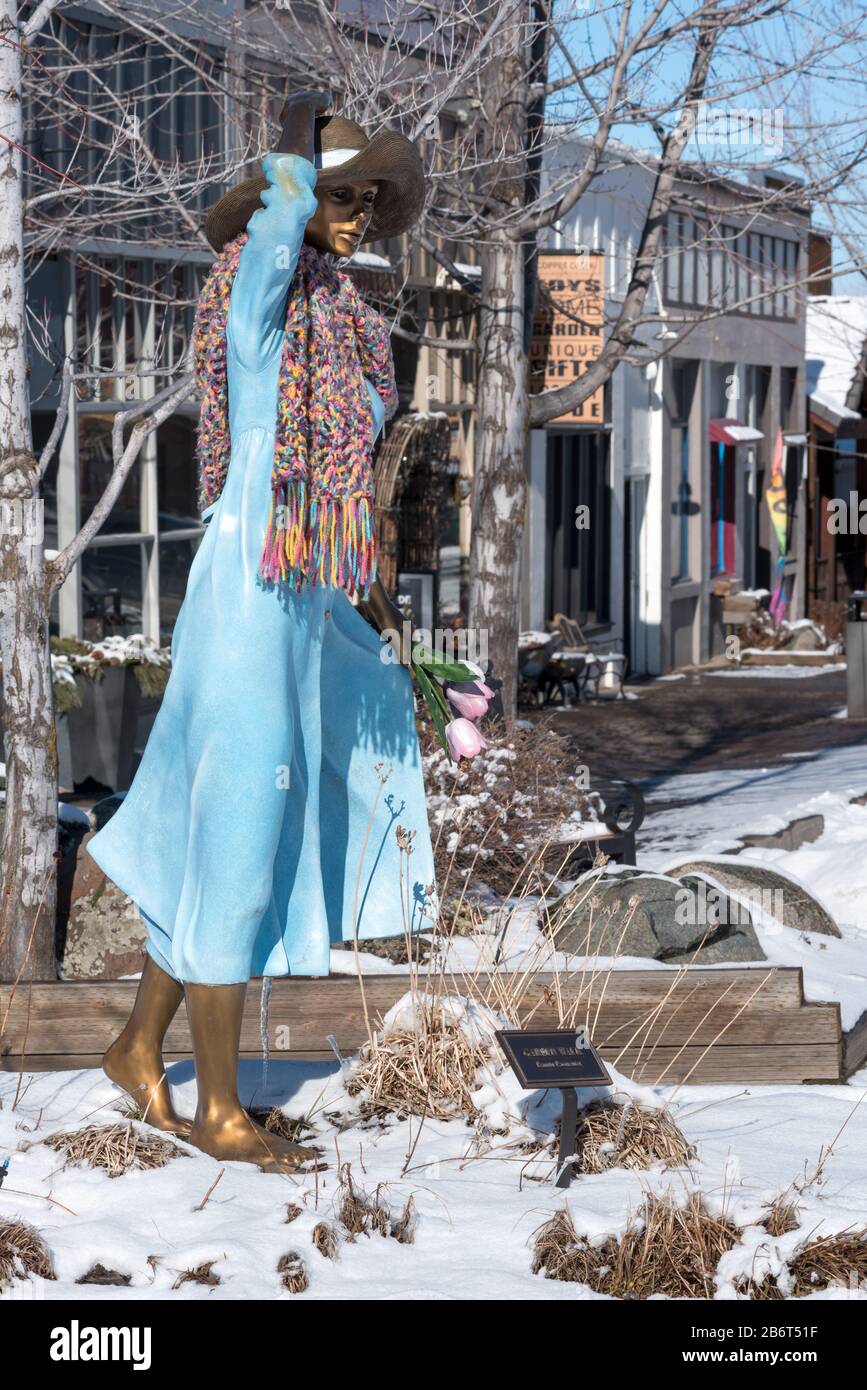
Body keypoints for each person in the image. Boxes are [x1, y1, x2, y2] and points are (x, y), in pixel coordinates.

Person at [88, 93, 436, 1172]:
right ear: (296, 199)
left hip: (300, 596)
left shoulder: (340, 322)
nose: (362, 214)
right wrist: (291, 163)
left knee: (229, 828)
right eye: (344, 194)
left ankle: (141, 1048)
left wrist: (370, 596)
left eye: (372, 199)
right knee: (239, 829)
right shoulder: (258, 297)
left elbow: (356, 468)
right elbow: (271, 233)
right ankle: (219, 1109)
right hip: (247, 588)